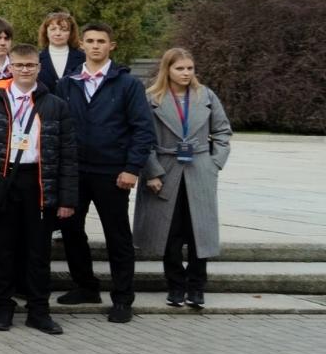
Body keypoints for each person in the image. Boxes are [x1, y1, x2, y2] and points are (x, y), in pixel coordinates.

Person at [55, 22, 154, 323]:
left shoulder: (128, 84)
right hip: (74, 172)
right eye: (90, 41)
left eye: (101, 41)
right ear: (81, 45)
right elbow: (57, 127)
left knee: (117, 236)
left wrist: (131, 168)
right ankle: (85, 286)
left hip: (112, 173)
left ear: (111, 46)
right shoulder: (67, 83)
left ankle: (123, 298)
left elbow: (143, 129)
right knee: (71, 231)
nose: (95, 45)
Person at [0, 44, 75, 334]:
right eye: (19, 65)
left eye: (30, 65)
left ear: (38, 67)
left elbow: (68, 154)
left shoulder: (55, 105)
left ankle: (39, 310)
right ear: (10, 67)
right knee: (2, 249)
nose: (24, 70)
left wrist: (67, 198)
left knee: (37, 251)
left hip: (39, 182)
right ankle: (3, 307)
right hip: (3, 180)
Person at [136, 48, 232, 310]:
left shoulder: (206, 96)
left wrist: (214, 163)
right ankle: (175, 286)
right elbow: (142, 138)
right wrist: (152, 171)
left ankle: (197, 287)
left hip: (199, 168)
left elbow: (223, 131)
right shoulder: (151, 99)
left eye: (190, 68)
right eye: (180, 68)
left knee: (199, 231)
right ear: (167, 69)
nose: (186, 73)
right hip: (166, 168)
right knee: (170, 232)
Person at [37, 10, 80, 89]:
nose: (58, 33)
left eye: (63, 30)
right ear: (46, 32)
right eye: (53, 29)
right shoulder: (36, 59)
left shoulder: (83, 58)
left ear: (71, 33)